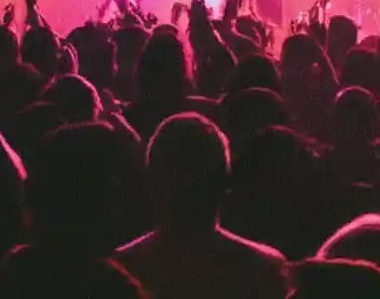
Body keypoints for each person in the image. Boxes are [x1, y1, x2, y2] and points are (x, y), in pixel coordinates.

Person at [116, 113, 288, 299]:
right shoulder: (266, 270)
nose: (186, 184)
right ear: (225, 185)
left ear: (151, 184)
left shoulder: (122, 273)